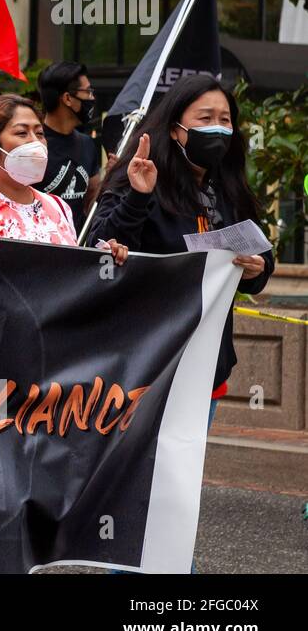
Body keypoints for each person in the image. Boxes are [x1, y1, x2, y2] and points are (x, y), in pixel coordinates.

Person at [87, 74, 274, 419]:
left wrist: (257, 267)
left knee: (185, 471)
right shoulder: (140, 176)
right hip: (142, 365)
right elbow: (100, 249)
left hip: (206, 364)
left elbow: (258, 254)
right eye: (205, 119)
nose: (217, 128)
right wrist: (138, 196)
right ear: (175, 129)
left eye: (225, 120)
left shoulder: (229, 188)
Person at [0, 93, 128, 264]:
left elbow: (69, 279)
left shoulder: (57, 207)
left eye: (40, 133)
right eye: (22, 133)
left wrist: (99, 259)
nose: (36, 143)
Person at [36, 61, 104, 233]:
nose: (92, 98)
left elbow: (90, 203)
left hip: (77, 247)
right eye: (88, 92)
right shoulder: (33, 145)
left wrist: (108, 180)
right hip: (40, 247)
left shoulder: (87, 143)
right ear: (67, 98)